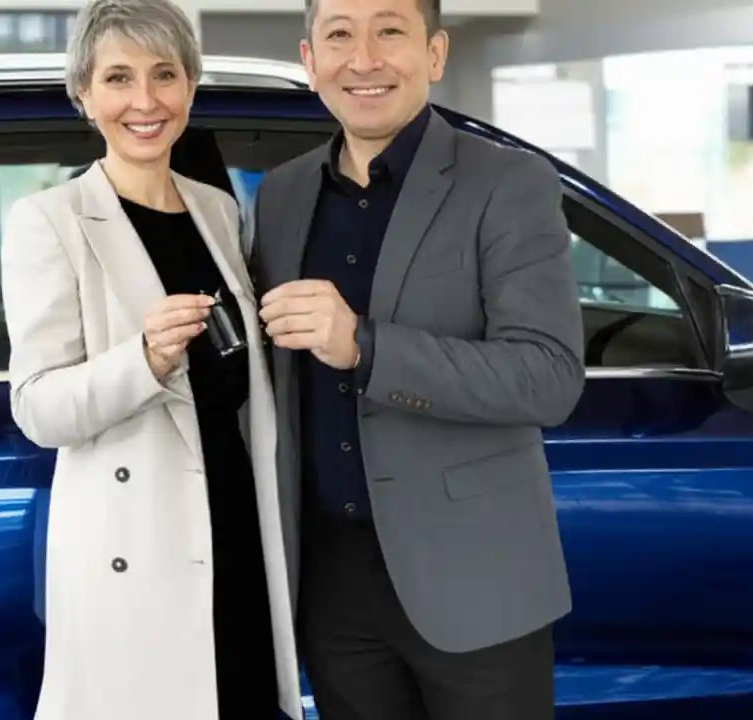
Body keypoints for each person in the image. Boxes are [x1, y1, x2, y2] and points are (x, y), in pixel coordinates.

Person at [251, 0, 586, 716]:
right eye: (339, 34)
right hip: (331, 582)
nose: (364, 57)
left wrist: (364, 347)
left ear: (434, 55)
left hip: (475, 583)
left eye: (390, 30)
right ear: (310, 62)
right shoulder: (281, 195)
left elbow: (548, 376)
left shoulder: (508, 182)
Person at [0, 0, 303, 717]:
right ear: (84, 94)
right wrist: (144, 358)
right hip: (139, 546)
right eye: (118, 78)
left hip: (235, 522)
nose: (145, 100)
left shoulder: (216, 210)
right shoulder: (51, 219)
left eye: (165, 74)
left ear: (191, 87)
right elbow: (38, 407)